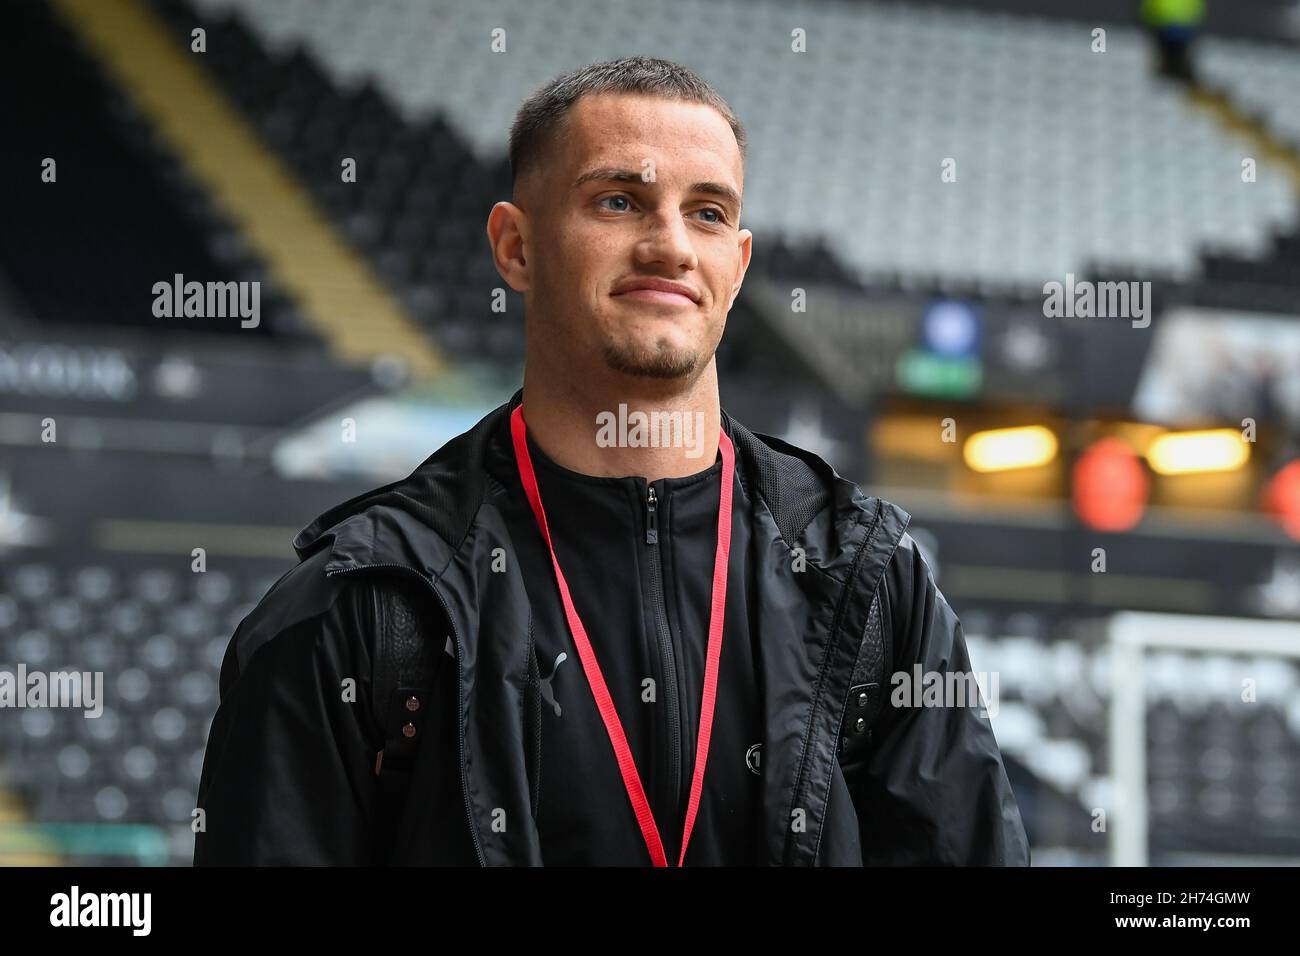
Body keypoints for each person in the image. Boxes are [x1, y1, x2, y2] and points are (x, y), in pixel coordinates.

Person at [193, 56, 1029, 866]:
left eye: (706, 213)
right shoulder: (369, 604)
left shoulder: (867, 580)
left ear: (736, 270)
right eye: (620, 201)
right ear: (516, 248)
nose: (669, 245)